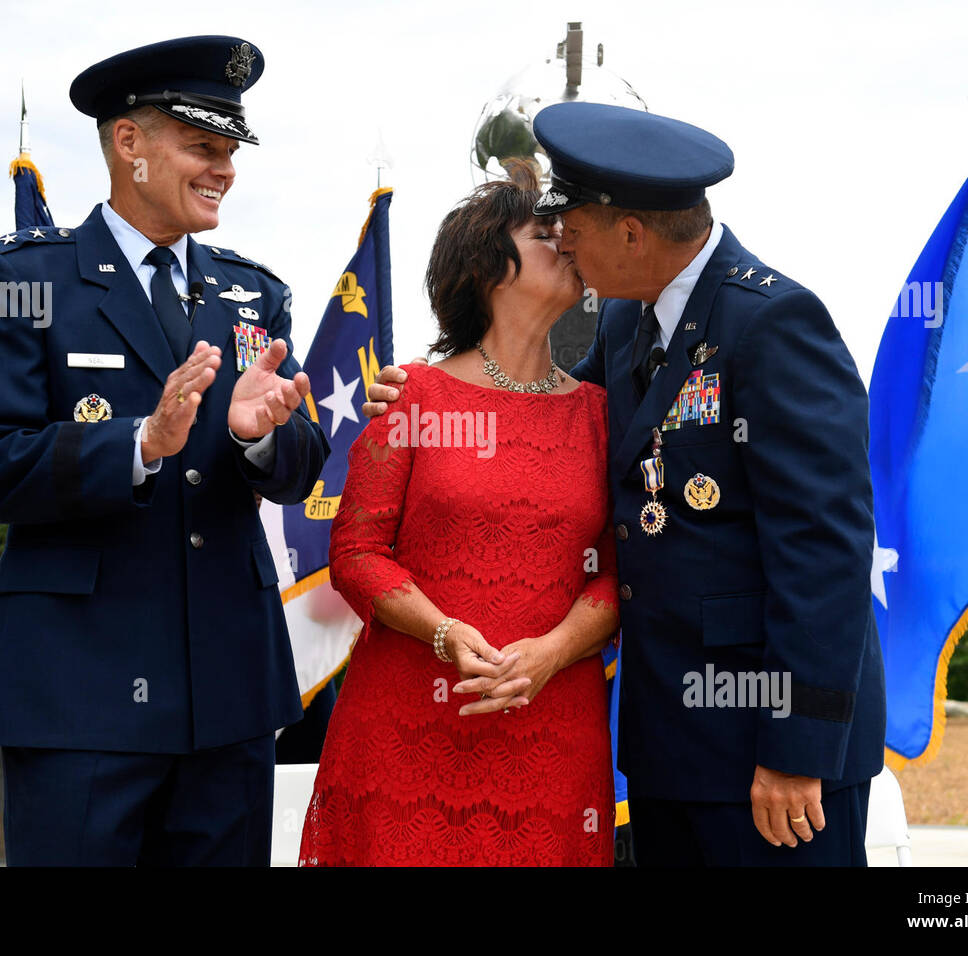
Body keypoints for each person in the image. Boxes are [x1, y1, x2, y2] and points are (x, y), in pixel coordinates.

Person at [365, 103, 885, 866]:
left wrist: (797, 749)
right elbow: (540, 425)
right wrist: (418, 398)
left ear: (631, 234)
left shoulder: (773, 324)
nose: (564, 245)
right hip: (667, 741)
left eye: (569, 228)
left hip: (766, 752)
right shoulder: (623, 325)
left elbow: (826, 551)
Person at [0, 36, 330, 866]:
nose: (223, 170)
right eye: (203, 147)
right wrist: (138, 444)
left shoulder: (253, 293)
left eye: (231, 152)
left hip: (226, 692)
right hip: (75, 696)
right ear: (130, 144)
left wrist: (253, 438)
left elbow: (303, 462)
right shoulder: (26, 278)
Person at [299, 172, 620, 866]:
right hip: (408, 726)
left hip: (553, 734)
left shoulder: (599, 414)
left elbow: (617, 573)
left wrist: (554, 651)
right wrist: (442, 631)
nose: (566, 242)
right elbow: (357, 552)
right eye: (543, 233)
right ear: (486, 269)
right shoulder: (411, 395)